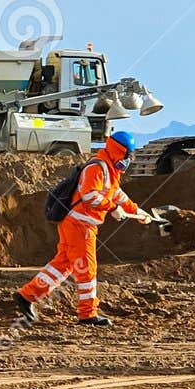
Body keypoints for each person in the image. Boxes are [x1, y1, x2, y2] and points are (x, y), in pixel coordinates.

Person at [15, 130, 140, 327]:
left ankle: (27, 296)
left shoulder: (108, 169)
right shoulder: (98, 168)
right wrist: (113, 208)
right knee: (87, 270)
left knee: (63, 265)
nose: (128, 161)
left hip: (78, 224)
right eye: (128, 156)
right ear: (120, 152)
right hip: (80, 225)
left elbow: (117, 194)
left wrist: (137, 211)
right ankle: (87, 314)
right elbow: (90, 196)